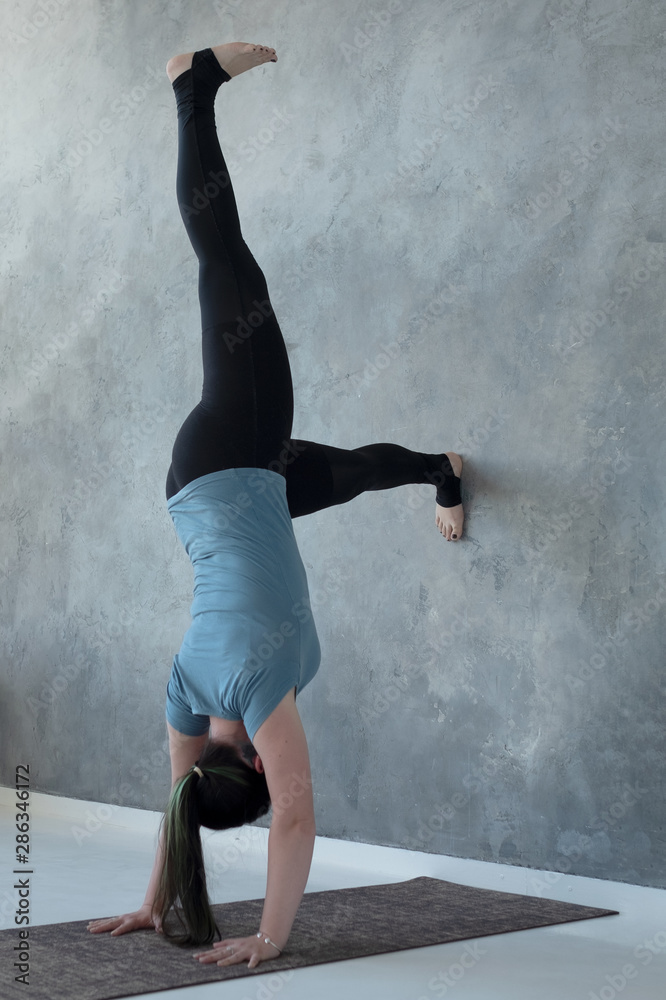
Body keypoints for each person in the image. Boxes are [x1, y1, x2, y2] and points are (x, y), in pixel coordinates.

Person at [87, 42, 464, 970]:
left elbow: (295, 810)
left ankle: (191, 88)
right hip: (209, 493)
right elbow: (178, 806)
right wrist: (152, 904)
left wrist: (270, 936)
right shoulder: (184, 692)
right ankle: (442, 470)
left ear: (251, 760)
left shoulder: (260, 698)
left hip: (233, 455)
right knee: (350, 474)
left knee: (226, 258)